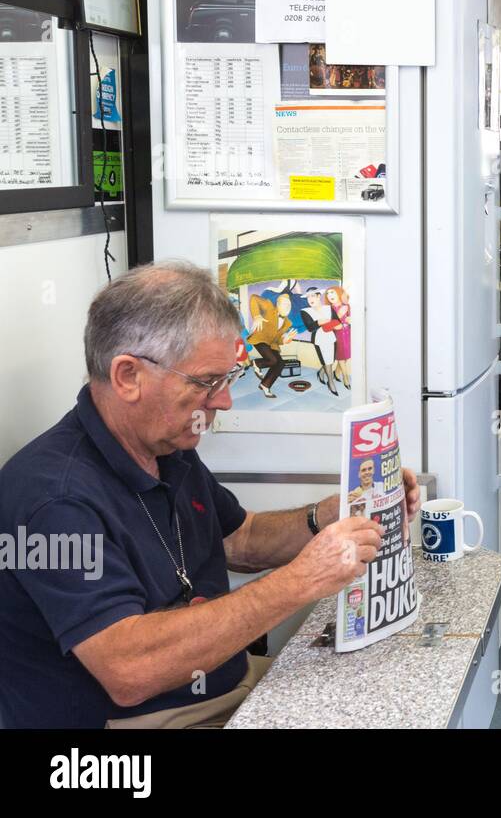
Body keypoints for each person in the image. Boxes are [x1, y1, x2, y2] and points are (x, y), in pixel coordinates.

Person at [0, 261, 424, 728]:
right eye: (206, 382)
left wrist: (330, 515)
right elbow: (130, 670)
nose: (222, 401)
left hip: (226, 686)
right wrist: (301, 580)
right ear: (127, 376)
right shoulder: (55, 499)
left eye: (228, 379)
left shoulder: (163, 444)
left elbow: (239, 538)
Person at [247, 291, 295, 398]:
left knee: (280, 363)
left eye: (289, 305)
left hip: (272, 344)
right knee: (272, 360)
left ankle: (265, 385)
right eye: (285, 303)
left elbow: (277, 339)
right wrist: (257, 316)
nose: (288, 306)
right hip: (260, 338)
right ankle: (256, 363)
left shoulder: (288, 323)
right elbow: (254, 297)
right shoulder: (269, 307)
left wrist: (285, 340)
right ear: (277, 304)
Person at [299, 287, 339, 396]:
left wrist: (327, 326)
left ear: (318, 296)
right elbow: (310, 328)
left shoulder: (329, 308)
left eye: (312, 296)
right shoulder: (305, 311)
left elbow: (337, 321)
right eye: (308, 297)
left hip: (331, 337)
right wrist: (319, 322)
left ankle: (321, 372)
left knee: (331, 360)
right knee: (327, 361)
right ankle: (331, 383)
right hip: (319, 340)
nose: (310, 299)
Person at [325, 285, 353, 390]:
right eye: (328, 293)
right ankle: (346, 378)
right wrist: (340, 315)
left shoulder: (347, 306)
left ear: (339, 293)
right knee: (341, 357)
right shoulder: (329, 309)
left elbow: (351, 319)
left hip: (348, 333)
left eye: (333, 292)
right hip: (337, 335)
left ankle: (336, 373)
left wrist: (350, 320)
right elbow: (330, 323)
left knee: (345, 357)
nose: (330, 295)